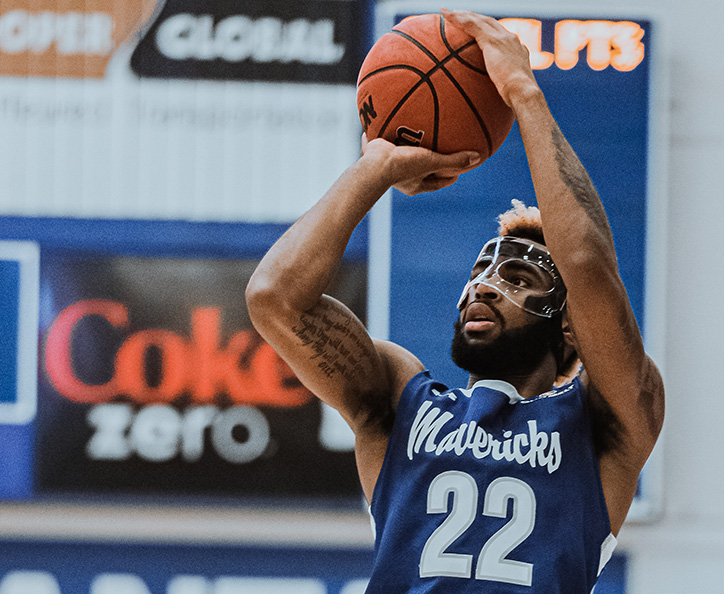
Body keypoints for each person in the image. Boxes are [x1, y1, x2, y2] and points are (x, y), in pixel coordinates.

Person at [246, 9, 664, 593]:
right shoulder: (401, 399)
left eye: (519, 276)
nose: (486, 285)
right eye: (480, 271)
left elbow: (590, 268)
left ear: (570, 325)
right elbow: (275, 299)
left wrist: (523, 93)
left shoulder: (603, 420)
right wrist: (377, 168)